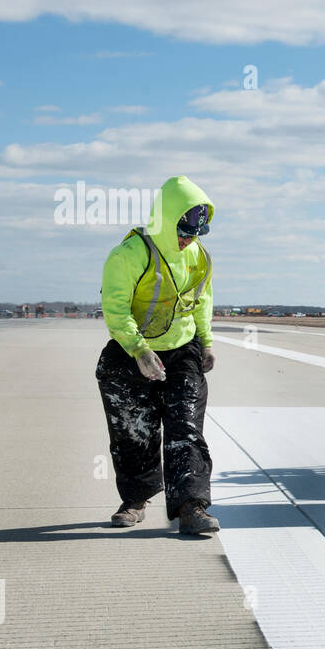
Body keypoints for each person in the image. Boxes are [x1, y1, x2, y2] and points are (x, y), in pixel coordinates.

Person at [96, 176, 219, 534]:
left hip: (182, 350)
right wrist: (138, 350)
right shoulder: (129, 254)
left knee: (186, 428)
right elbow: (115, 309)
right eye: (183, 230)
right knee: (135, 431)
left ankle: (191, 507)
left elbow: (202, 300)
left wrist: (206, 341)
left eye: (197, 232)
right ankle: (135, 500)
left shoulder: (198, 256)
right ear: (166, 221)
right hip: (131, 351)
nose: (188, 239)